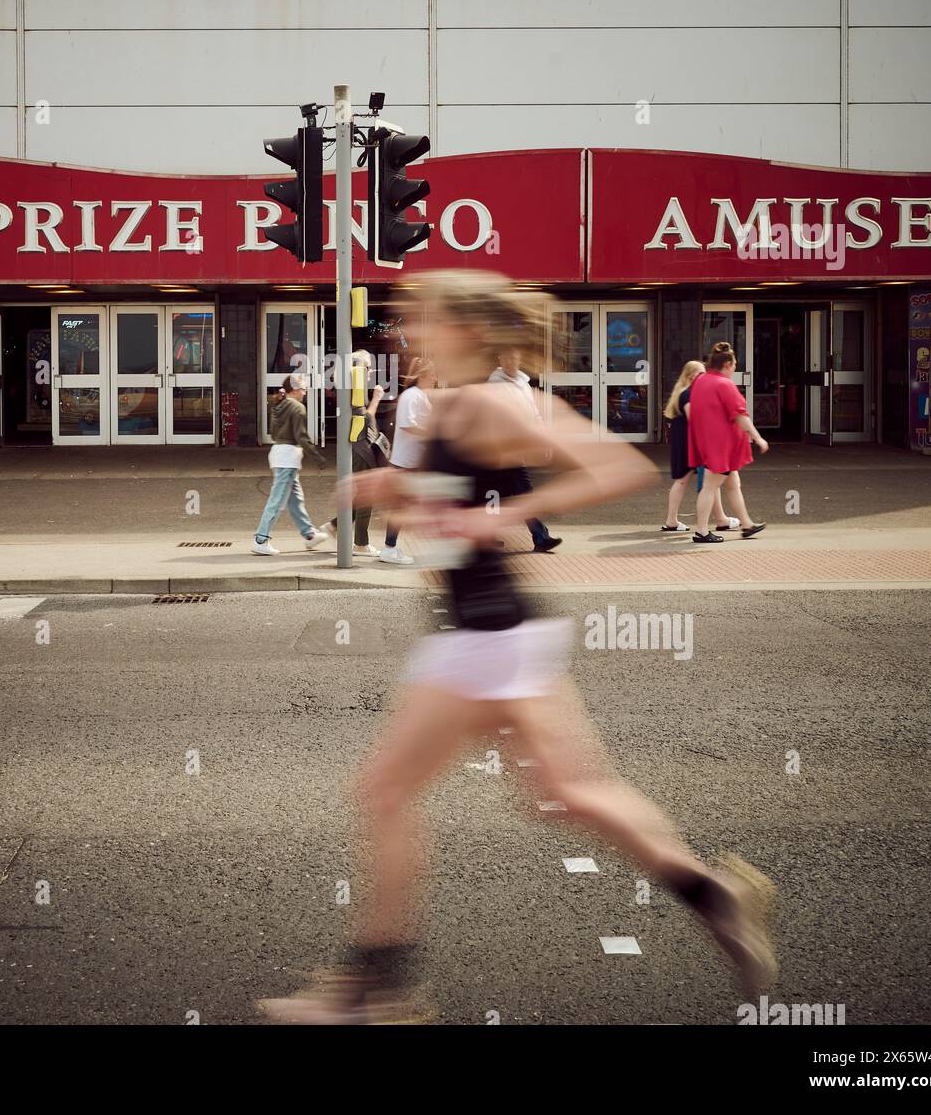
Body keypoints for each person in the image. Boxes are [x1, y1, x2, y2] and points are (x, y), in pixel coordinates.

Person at [260, 271, 777, 1025]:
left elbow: (618, 468)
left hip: (483, 637)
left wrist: (512, 513)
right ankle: (713, 893)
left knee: (385, 794)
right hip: (506, 630)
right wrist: (395, 492)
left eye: (423, 317)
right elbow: (460, 493)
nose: (409, 328)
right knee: (570, 794)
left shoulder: (487, 401)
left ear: (465, 329)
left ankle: (376, 992)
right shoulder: (463, 402)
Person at [688, 342, 768, 543]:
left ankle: (747, 524)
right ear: (728, 364)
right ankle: (702, 531)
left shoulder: (701, 381)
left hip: (711, 443)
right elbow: (740, 415)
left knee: (733, 484)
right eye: (734, 365)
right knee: (710, 486)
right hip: (722, 446)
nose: (735, 369)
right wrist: (758, 437)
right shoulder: (724, 384)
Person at [487, 348, 562, 552]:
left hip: (515, 449)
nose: (511, 361)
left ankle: (538, 537)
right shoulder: (496, 384)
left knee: (513, 494)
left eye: (514, 357)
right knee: (511, 494)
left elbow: (533, 414)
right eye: (506, 357)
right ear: (500, 358)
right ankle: (539, 537)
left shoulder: (523, 383)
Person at [251, 374, 332, 556]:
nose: (305, 392)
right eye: (303, 389)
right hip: (288, 458)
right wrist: (318, 458)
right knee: (277, 500)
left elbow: (273, 433)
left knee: (295, 499)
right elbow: (301, 437)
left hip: (279, 453)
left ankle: (309, 534)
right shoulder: (297, 408)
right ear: (295, 389)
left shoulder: (279, 405)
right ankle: (261, 539)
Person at [662, 360, 740, 534]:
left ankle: (674, 520)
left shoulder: (682, 393)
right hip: (690, 444)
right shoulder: (688, 394)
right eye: (701, 374)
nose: (705, 378)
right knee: (706, 482)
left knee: (693, 481)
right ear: (691, 377)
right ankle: (716, 520)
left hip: (685, 443)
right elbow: (695, 420)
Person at [325, 350, 385, 557]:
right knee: (366, 493)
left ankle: (335, 526)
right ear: (357, 369)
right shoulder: (355, 389)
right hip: (361, 445)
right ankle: (360, 543)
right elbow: (366, 418)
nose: (370, 372)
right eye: (367, 368)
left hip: (359, 443)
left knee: (361, 492)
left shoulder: (353, 388)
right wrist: (376, 398)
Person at [379, 357, 437, 566]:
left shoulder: (418, 395)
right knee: (401, 507)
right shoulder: (412, 396)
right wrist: (433, 433)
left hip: (412, 461)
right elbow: (406, 424)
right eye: (432, 374)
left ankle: (390, 547)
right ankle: (389, 548)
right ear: (422, 376)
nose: (435, 378)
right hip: (406, 462)